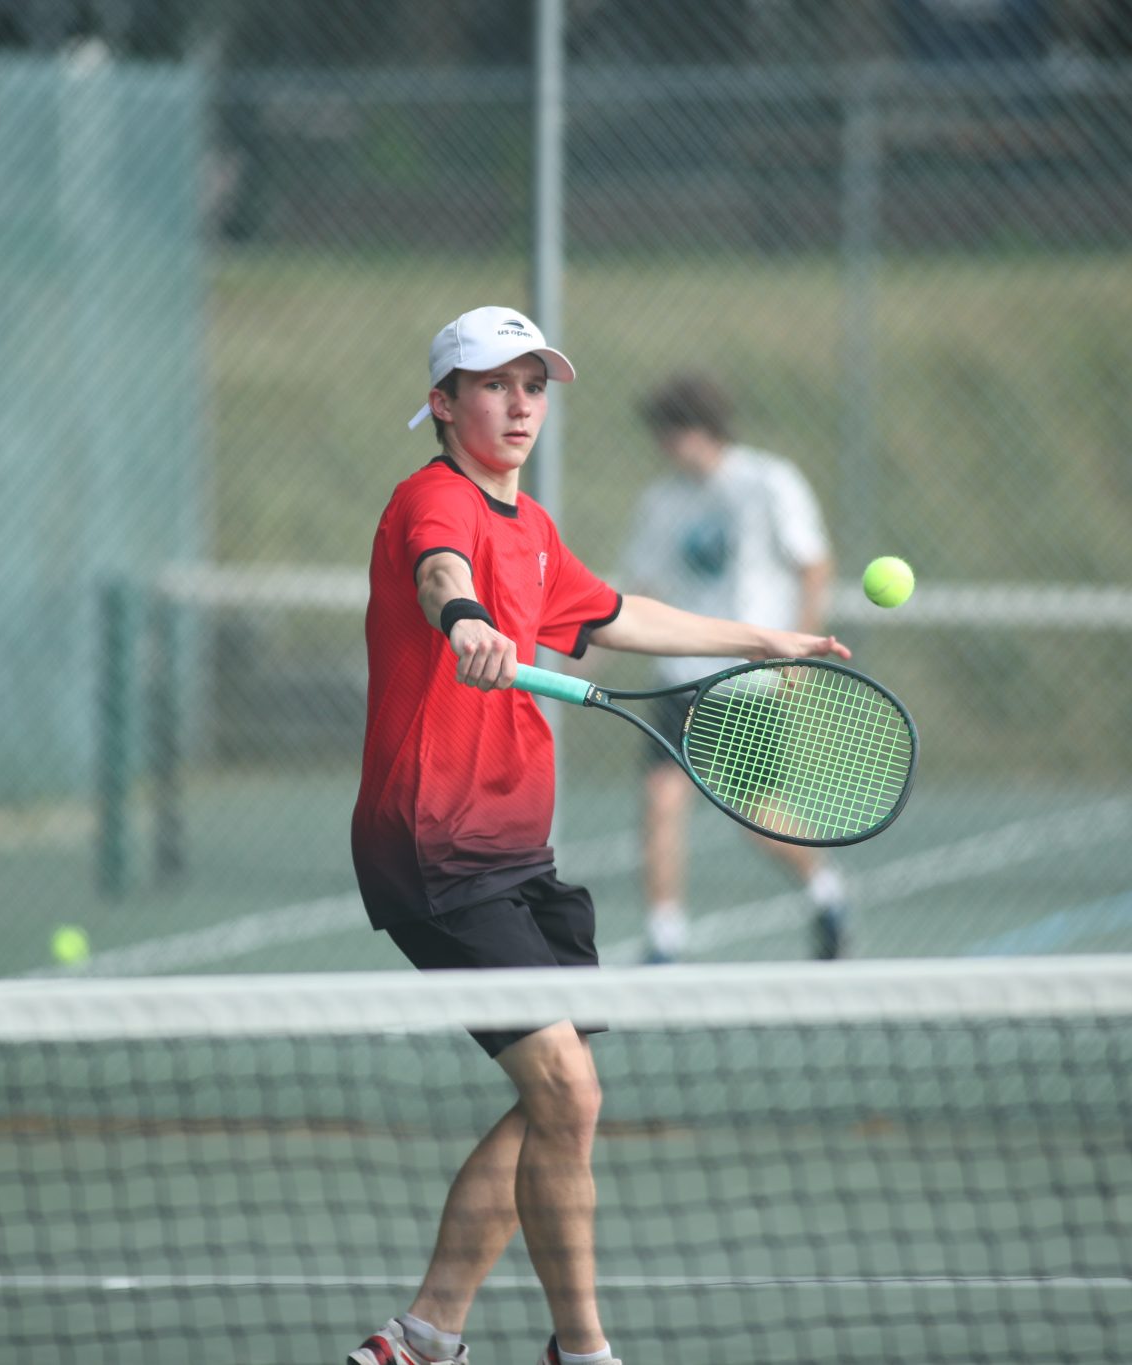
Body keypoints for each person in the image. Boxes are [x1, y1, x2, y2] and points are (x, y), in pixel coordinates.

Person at [346, 309, 851, 1365]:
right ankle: (581, 1351)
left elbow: (618, 612)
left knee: (558, 1099)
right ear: (443, 404)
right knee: (566, 1089)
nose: (520, 404)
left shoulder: (530, 529)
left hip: (514, 849)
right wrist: (466, 621)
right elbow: (443, 574)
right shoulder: (428, 503)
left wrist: (766, 635)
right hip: (430, 843)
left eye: (533, 384)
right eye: (493, 385)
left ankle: (427, 1333)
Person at [621, 373, 849, 963]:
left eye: (669, 433)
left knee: (757, 820)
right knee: (661, 800)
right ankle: (664, 938)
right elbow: (639, 590)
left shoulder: (768, 483)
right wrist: (576, 648)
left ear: (698, 429)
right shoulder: (660, 502)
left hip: (749, 680)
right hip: (679, 679)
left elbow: (814, 565)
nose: (663, 447)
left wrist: (798, 648)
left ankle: (824, 888)